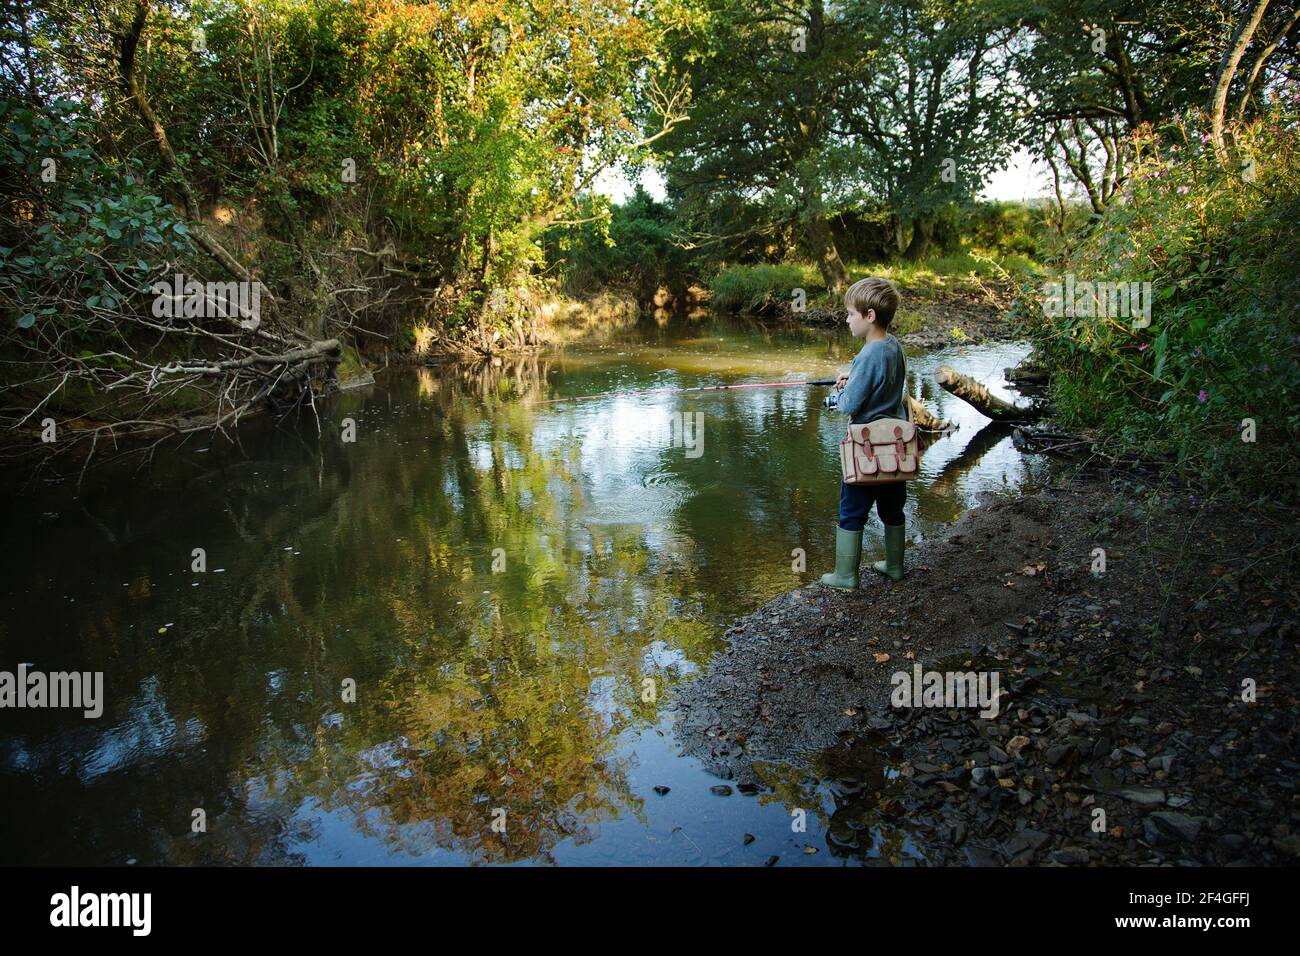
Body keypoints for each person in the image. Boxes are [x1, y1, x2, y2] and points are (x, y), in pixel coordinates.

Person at [820, 276, 908, 589]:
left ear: (869, 316)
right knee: (892, 508)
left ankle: (845, 576)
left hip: (866, 449)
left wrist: (835, 397)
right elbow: (884, 382)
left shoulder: (868, 355)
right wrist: (853, 374)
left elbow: (850, 404)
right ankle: (895, 565)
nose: (847, 320)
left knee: (852, 510)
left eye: (851, 314)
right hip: (895, 447)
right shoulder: (893, 345)